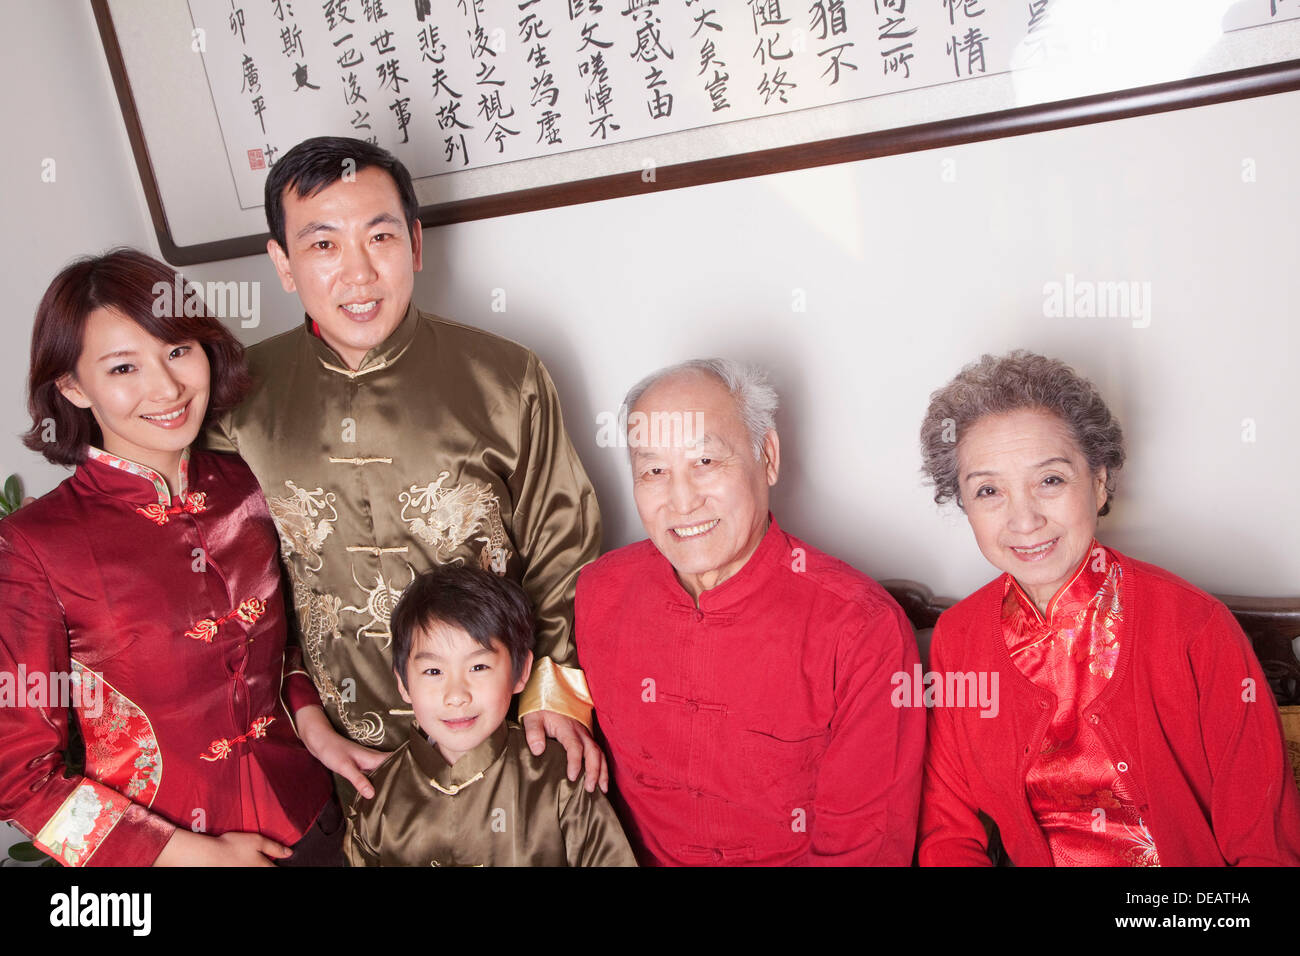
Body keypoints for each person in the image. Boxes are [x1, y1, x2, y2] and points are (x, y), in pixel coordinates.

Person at [205, 137, 605, 801]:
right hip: (337, 755)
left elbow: (564, 547)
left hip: (509, 736)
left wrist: (551, 695)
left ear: (415, 243)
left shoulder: (507, 378)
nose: (358, 273)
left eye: (380, 237)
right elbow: (235, 589)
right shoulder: (238, 402)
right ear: (283, 263)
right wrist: (304, 716)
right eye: (323, 244)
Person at [0, 248, 347, 865]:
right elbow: (18, 778)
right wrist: (192, 855)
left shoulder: (250, 480)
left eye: (178, 350)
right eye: (123, 367)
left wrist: (312, 723)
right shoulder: (33, 545)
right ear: (72, 386)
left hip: (317, 816)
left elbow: (291, 639)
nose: (166, 388)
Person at [916, 350, 1300, 866]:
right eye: (989, 490)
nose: (1024, 519)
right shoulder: (958, 637)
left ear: (1099, 483)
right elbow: (947, 833)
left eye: (1050, 480)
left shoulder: (1197, 628)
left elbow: (1265, 849)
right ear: (964, 505)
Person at [575, 359, 924, 865]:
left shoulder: (861, 629)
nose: (682, 501)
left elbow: (863, 851)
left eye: (705, 461)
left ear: (768, 458)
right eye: (654, 471)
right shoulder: (599, 592)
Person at [345, 566, 635, 866]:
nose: (456, 695)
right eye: (433, 671)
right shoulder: (377, 799)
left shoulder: (562, 779)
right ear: (403, 683)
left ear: (521, 672)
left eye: (478, 667)